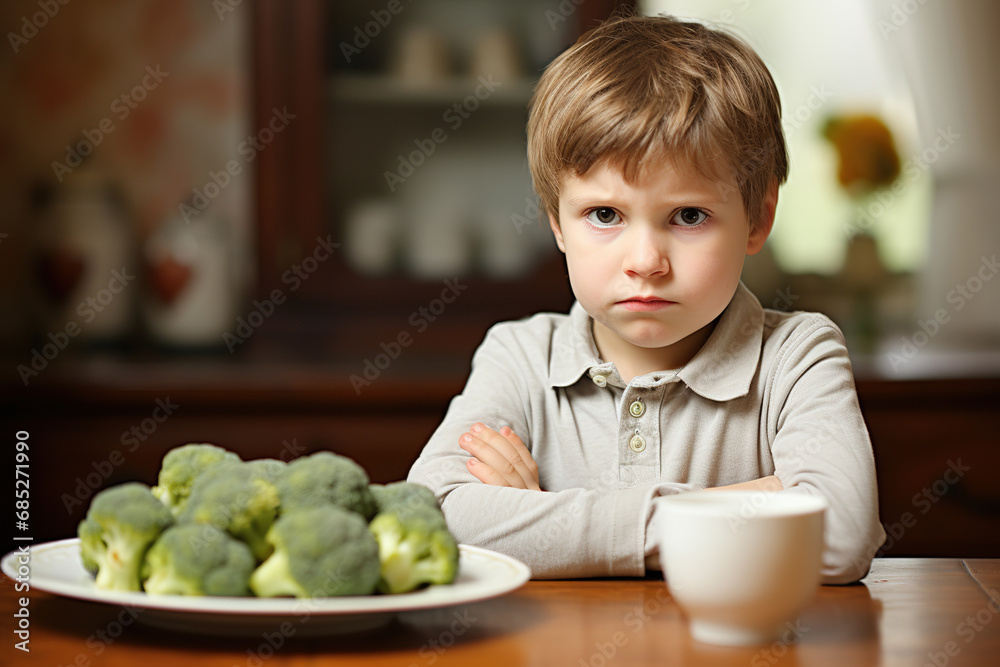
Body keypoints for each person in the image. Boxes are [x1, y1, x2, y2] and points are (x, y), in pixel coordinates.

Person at [407, 13, 885, 584]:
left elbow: (842, 532)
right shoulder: (519, 355)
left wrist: (540, 517)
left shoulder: (798, 355)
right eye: (604, 215)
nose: (645, 262)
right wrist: (754, 501)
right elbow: (431, 519)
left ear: (758, 220)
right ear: (556, 224)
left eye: (688, 216)